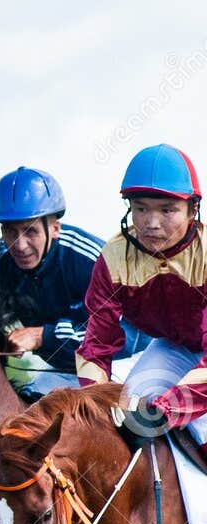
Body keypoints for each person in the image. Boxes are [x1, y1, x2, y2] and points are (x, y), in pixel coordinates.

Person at [76, 145, 207, 447]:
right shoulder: (112, 257)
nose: (151, 223)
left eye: (167, 209)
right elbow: (95, 346)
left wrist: (166, 410)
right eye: (141, 208)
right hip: (172, 348)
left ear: (193, 210)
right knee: (124, 415)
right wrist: (95, 405)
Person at [0, 166, 148, 397]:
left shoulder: (95, 260)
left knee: (105, 415)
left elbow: (115, 335)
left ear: (55, 228)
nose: (19, 245)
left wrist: (42, 336)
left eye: (30, 232)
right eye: (10, 232)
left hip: (130, 357)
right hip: (66, 368)